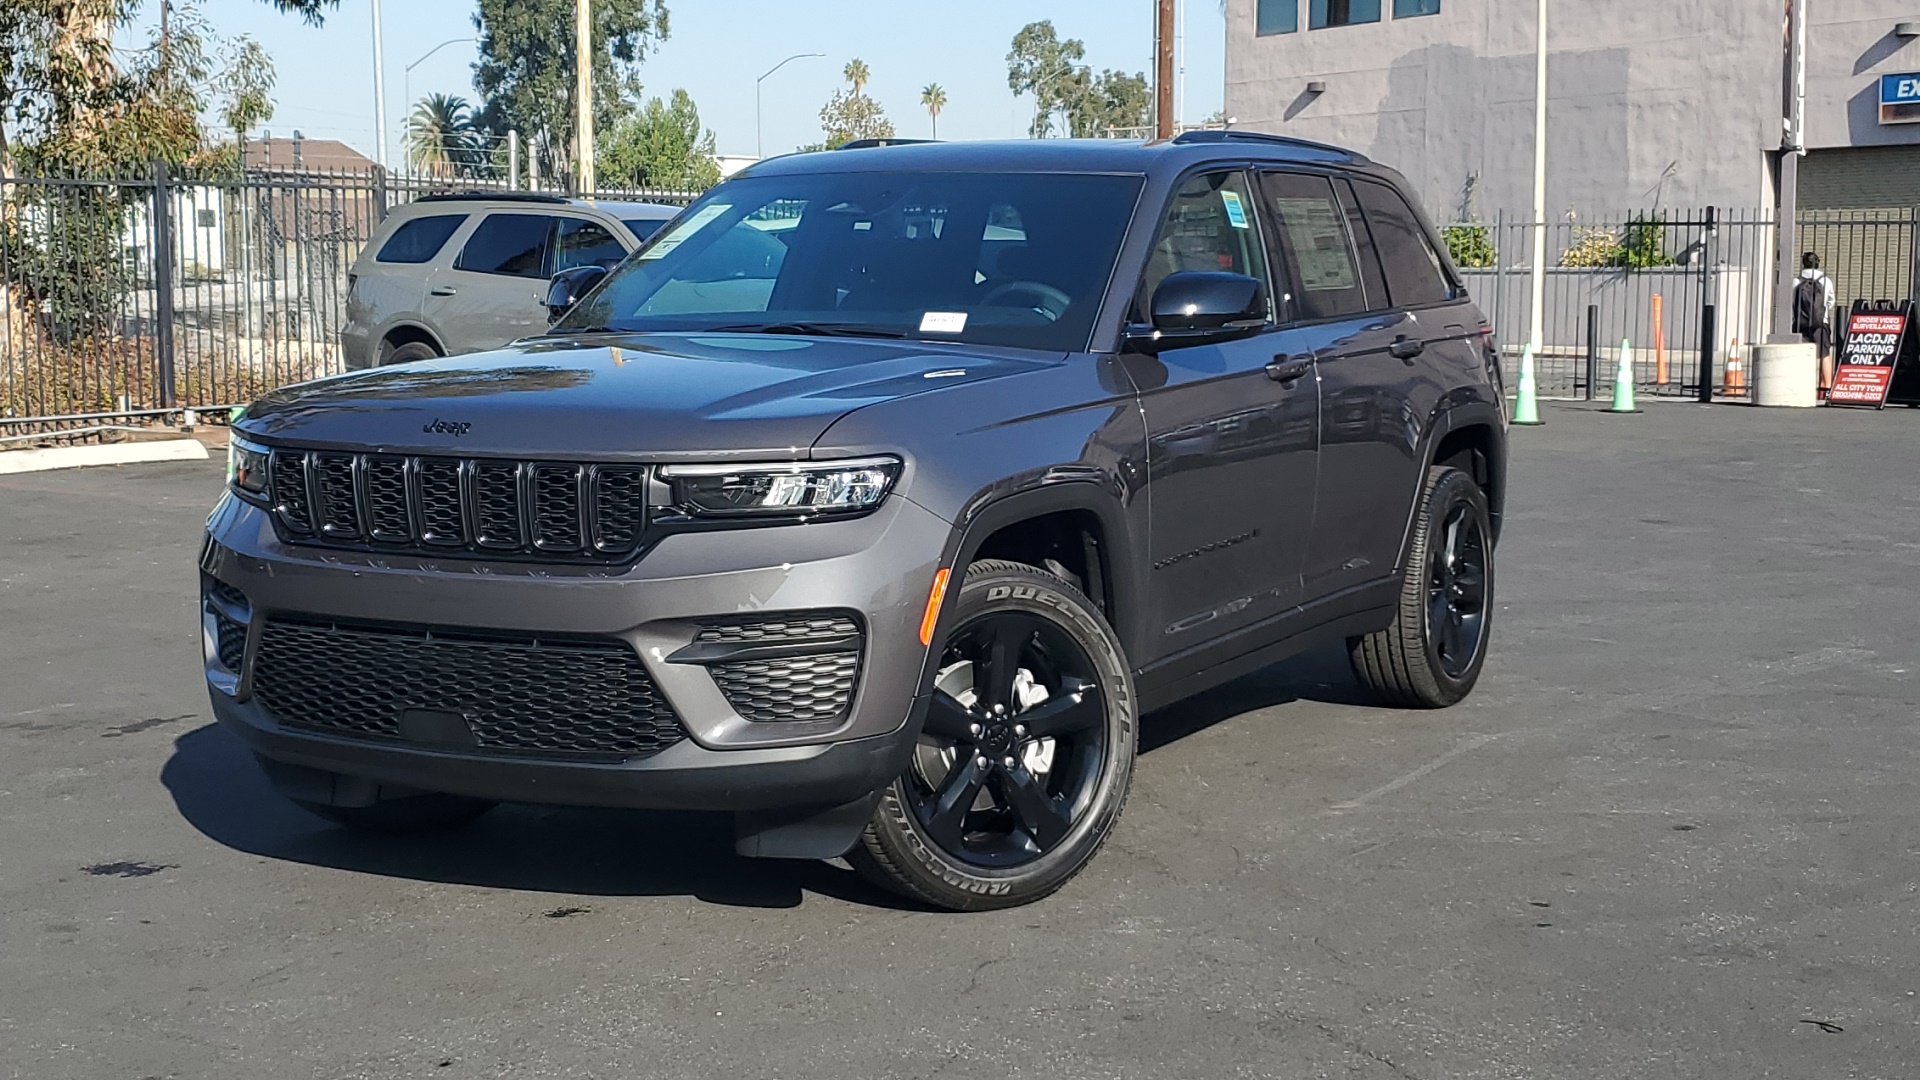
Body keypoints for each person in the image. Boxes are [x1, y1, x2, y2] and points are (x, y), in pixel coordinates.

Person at [1793, 251, 1837, 391]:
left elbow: (1792, 302)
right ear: (1817, 264)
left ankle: (1803, 385)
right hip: (1821, 323)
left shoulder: (1796, 281)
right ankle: (1827, 387)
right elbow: (1831, 301)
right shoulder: (1826, 281)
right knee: (1824, 354)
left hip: (1800, 323)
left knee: (1801, 354)